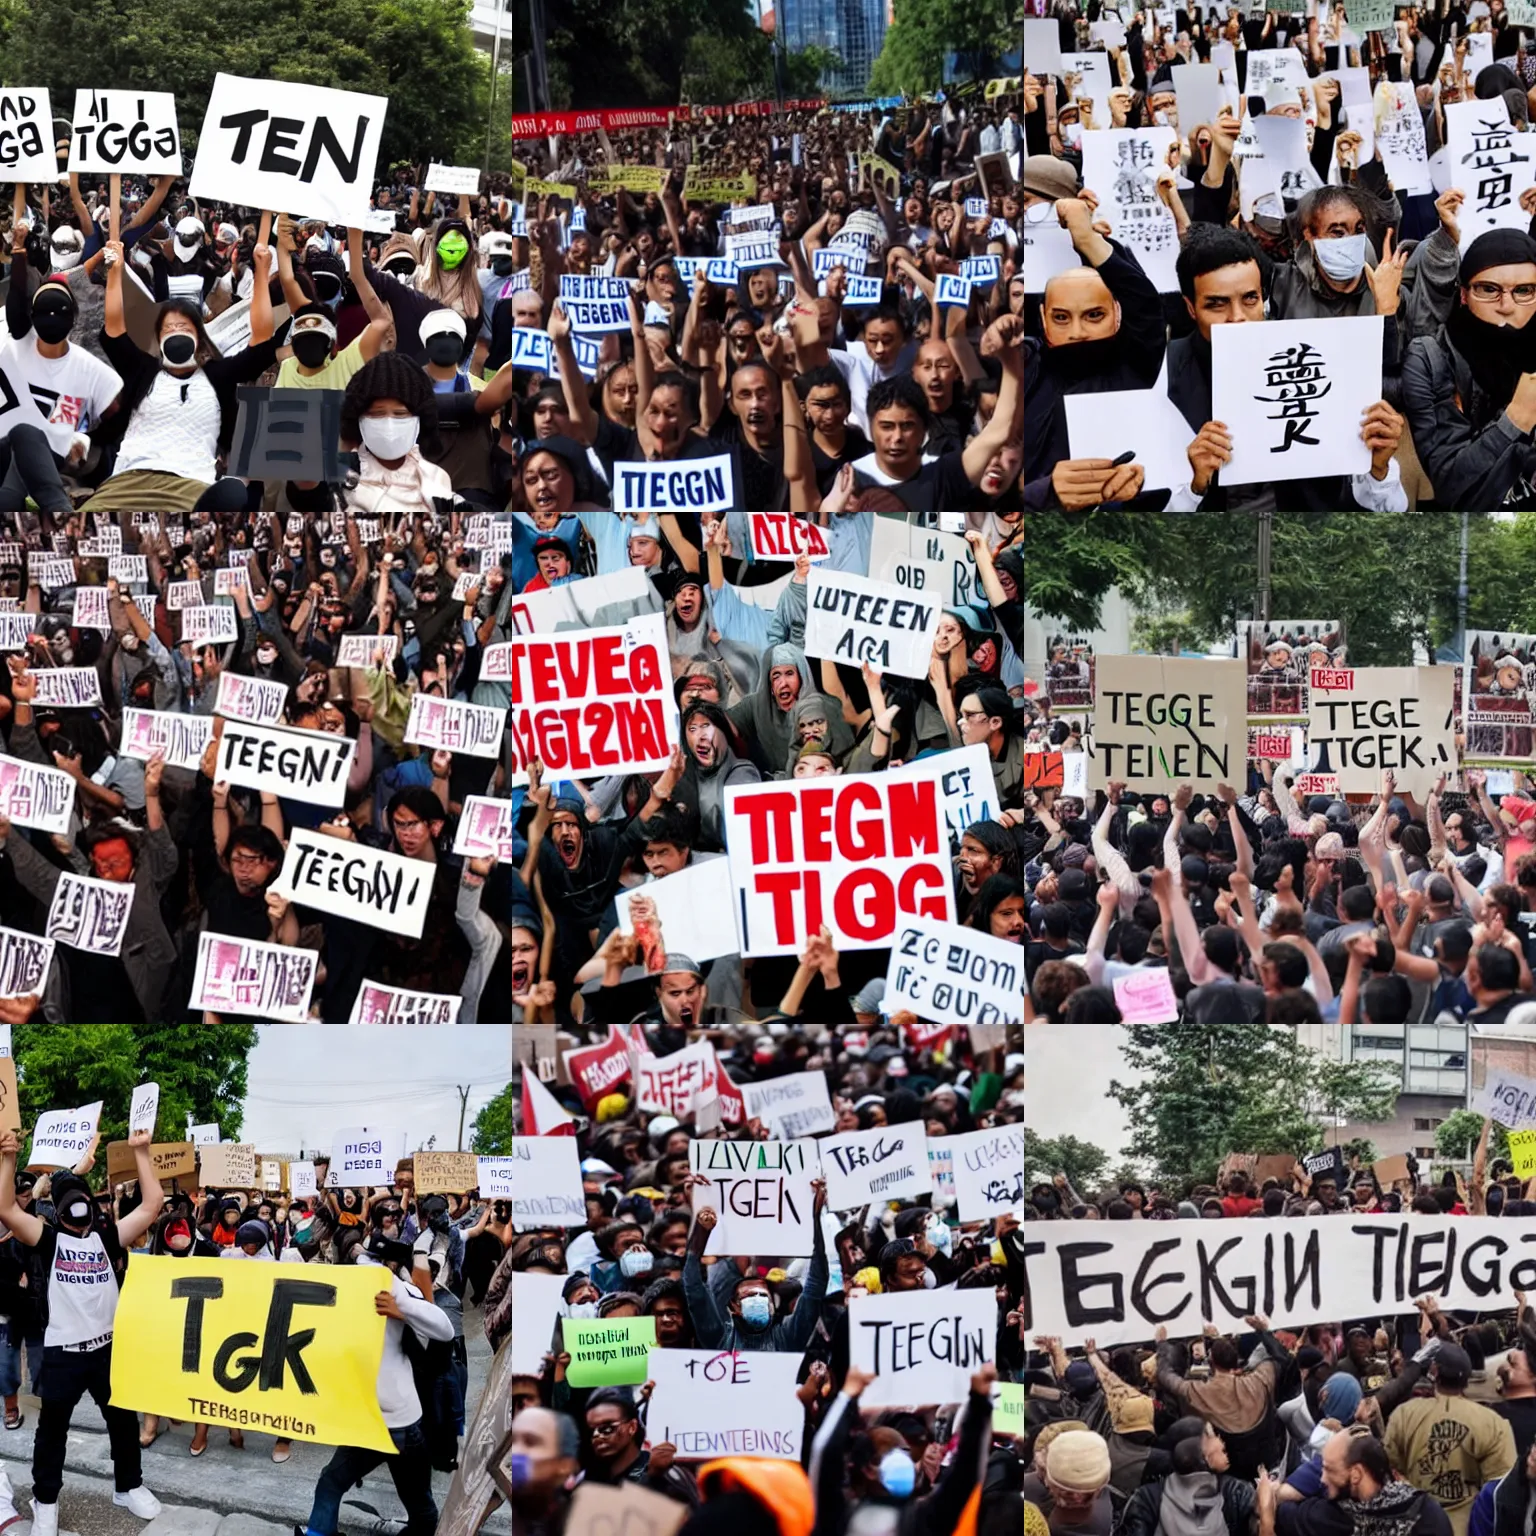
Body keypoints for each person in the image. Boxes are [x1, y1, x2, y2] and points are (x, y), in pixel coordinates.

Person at [0, 1127, 165, 1533]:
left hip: (107, 1351)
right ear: (56, 1210)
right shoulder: (47, 1239)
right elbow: (6, 1209)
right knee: (53, 1432)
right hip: (62, 1354)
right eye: (69, 1201)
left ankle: (128, 1486)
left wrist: (141, 1151)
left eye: (84, 1200)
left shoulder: (108, 1237)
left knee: (122, 1422)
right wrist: (7, 1159)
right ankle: (46, 1501)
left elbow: (153, 1204)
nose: (80, 1209)